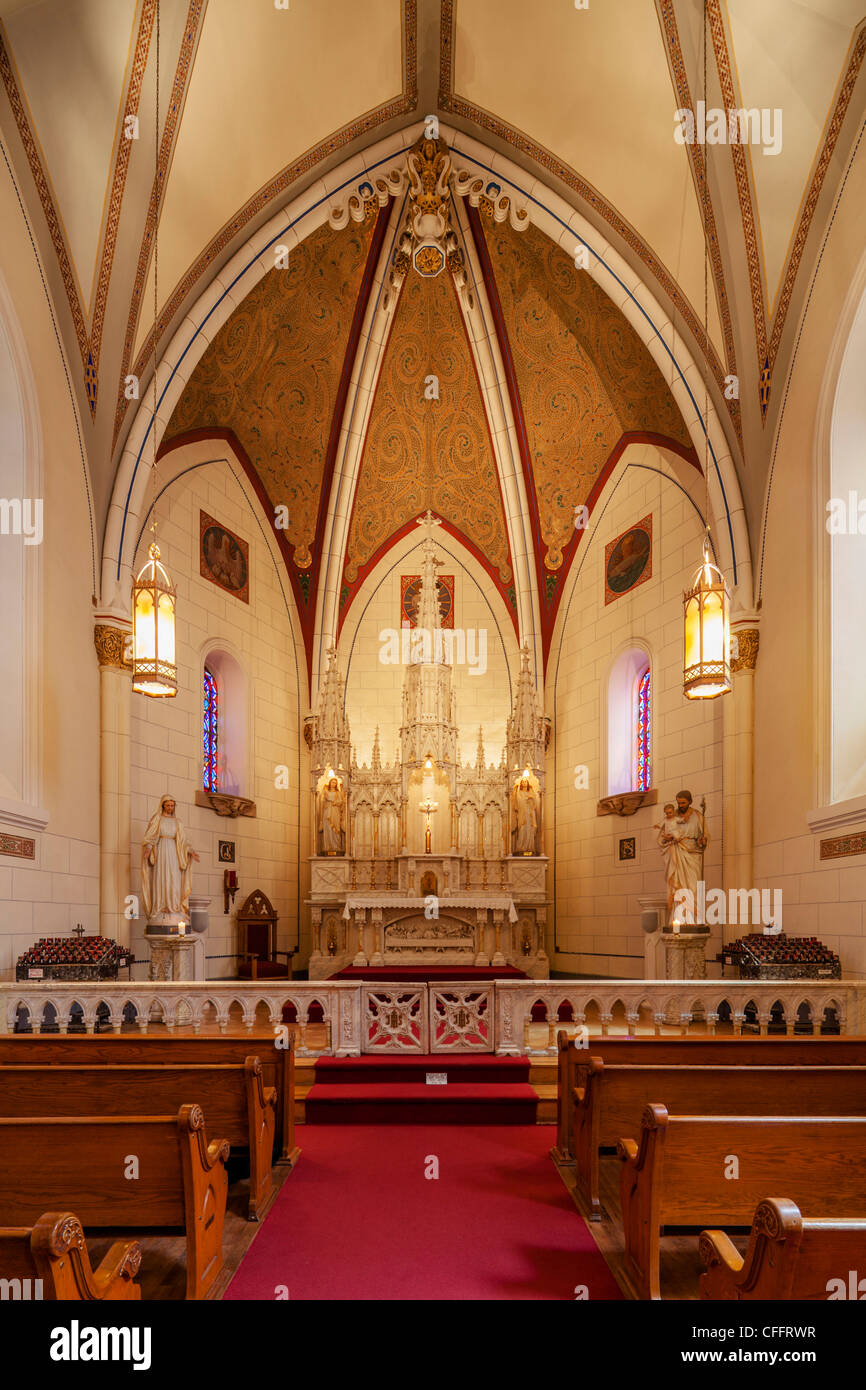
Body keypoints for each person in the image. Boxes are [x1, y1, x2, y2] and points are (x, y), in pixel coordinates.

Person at [141, 795, 200, 922]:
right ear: (163, 805)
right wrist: (149, 848)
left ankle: (174, 907)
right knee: (161, 877)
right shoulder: (157, 819)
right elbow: (151, 836)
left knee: (174, 878)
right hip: (161, 850)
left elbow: (183, 841)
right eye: (167, 805)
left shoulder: (178, 822)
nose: (170, 807)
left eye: (172, 805)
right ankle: (161, 906)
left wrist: (191, 851)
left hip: (174, 852)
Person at [658, 790, 708, 921]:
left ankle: (693, 920)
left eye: (683, 803)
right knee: (677, 886)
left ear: (690, 801)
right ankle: (678, 919)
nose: (680, 805)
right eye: (678, 803)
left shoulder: (697, 816)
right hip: (676, 853)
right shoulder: (671, 816)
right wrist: (666, 839)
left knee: (693, 888)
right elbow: (661, 839)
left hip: (692, 856)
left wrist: (702, 841)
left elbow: (704, 838)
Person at [318, 776, 345, 855]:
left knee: (336, 829)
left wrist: (335, 802)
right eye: (333, 782)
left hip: (335, 811)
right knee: (328, 829)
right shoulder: (326, 792)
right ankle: (327, 847)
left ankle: (336, 847)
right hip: (327, 811)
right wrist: (324, 797)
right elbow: (322, 802)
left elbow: (341, 802)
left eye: (335, 783)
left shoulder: (338, 793)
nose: (334, 784)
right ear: (330, 783)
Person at [513, 776, 539, 855]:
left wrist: (531, 798)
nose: (524, 783)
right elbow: (518, 802)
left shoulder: (531, 793)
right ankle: (521, 847)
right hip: (523, 814)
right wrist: (525, 799)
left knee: (530, 829)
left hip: (530, 814)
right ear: (521, 784)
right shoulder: (519, 793)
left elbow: (534, 805)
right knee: (522, 829)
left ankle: (529, 847)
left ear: (528, 784)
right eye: (523, 782)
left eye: (526, 782)